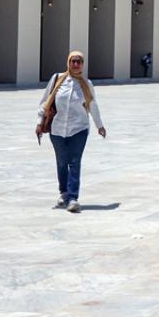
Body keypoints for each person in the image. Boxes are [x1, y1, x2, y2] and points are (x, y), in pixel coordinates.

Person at [35, 51, 107, 213]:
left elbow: (92, 105)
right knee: (62, 162)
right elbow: (45, 102)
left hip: (79, 129)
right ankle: (64, 192)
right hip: (57, 129)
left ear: (83, 64)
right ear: (68, 62)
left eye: (79, 61)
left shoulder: (86, 84)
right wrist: (39, 122)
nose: (75, 64)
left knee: (74, 162)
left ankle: (73, 197)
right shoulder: (57, 79)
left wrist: (99, 125)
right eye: (73, 61)